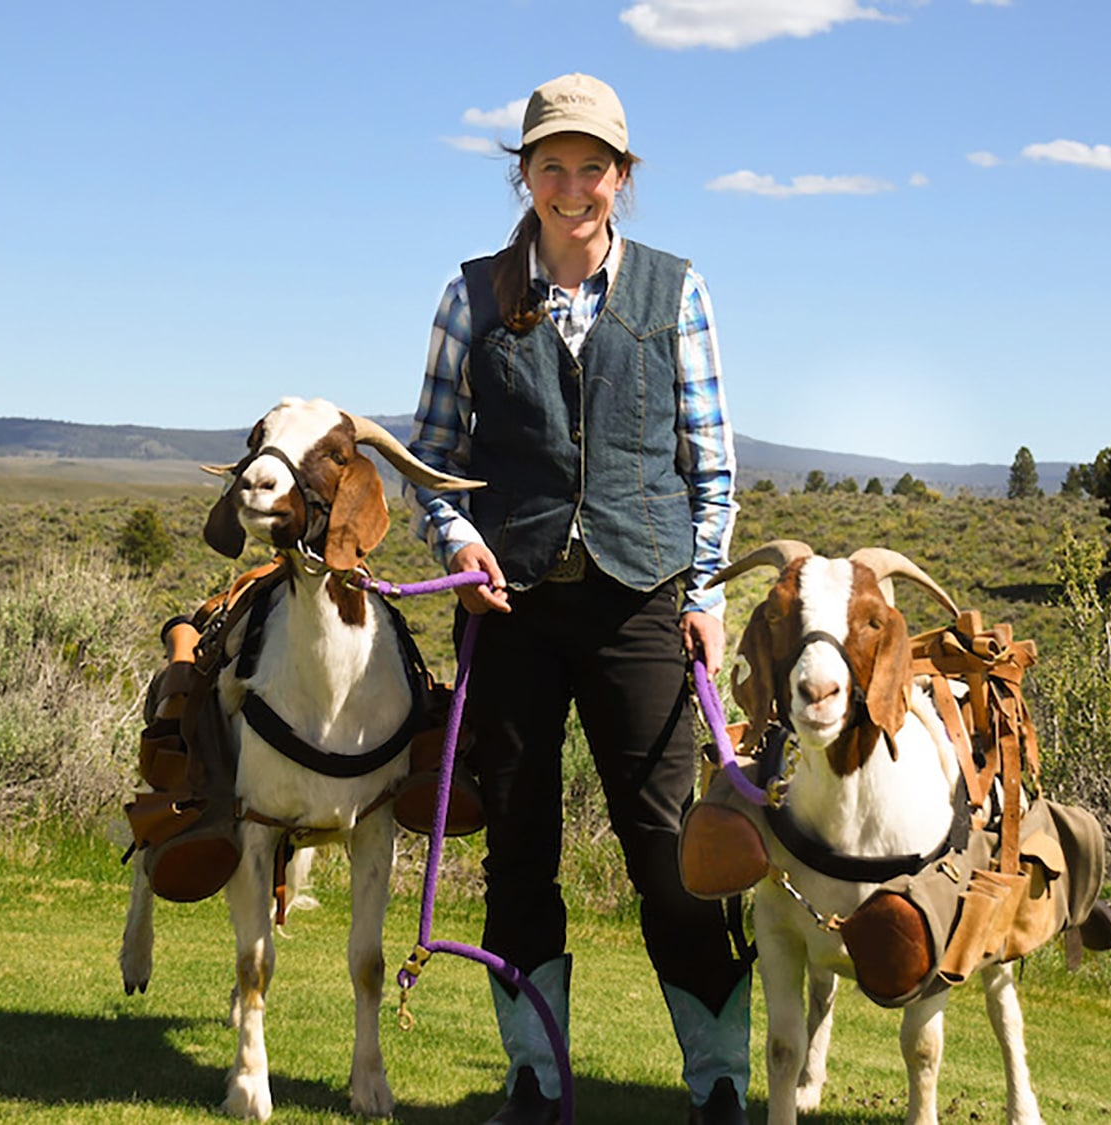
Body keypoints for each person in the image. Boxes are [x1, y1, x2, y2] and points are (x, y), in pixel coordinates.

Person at [405, 72, 751, 1125]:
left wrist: (703, 591)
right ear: (525, 173)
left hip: (642, 600)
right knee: (519, 846)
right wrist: (460, 544)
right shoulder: (470, 294)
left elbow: (712, 463)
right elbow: (431, 458)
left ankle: (722, 1082)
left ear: (621, 177)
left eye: (591, 167)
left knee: (671, 850)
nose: (571, 186)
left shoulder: (674, 289)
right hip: (507, 610)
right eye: (551, 166)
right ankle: (532, 1076)